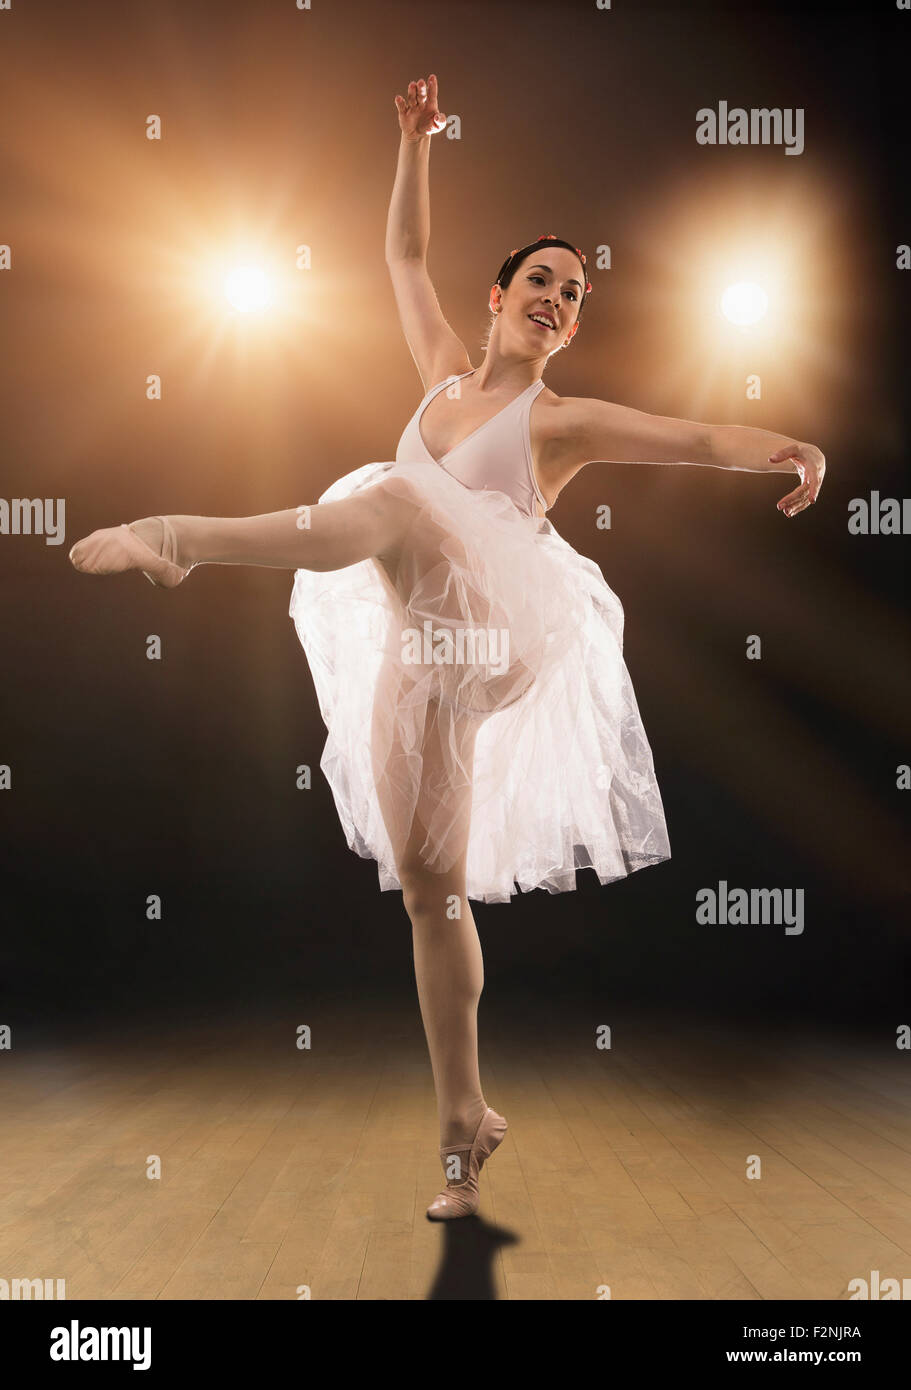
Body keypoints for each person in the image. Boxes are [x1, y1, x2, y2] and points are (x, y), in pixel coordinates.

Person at [68, 74, 826, 1221]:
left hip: (500, 626)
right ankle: (463, 1139)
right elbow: (405, 261)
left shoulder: (558, 421)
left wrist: (790, 448)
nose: (558, 300)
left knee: (395, 500)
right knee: (431, 897)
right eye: (541, 280)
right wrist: (415, 142)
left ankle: (179, 537)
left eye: (573, 294)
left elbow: (698, 434)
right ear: (499, 294)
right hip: (421, 649)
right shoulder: (435, 380)